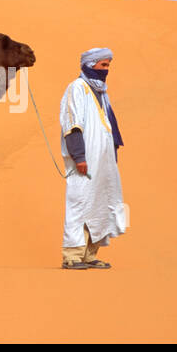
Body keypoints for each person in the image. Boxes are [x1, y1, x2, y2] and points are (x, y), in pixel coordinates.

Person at [59, 47, 126, 270]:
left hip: (103, 161)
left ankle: (89, 254)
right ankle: (72, 255)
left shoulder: (101, 92)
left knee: (99, 204)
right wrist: (79, 156)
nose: (106, 70)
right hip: (84, 159)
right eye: (102, 65)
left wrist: (111, 157)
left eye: (108, 66)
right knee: (79, 203)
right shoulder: (77, 88)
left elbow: (109, 129)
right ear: (90, 65)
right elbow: (72, 124)